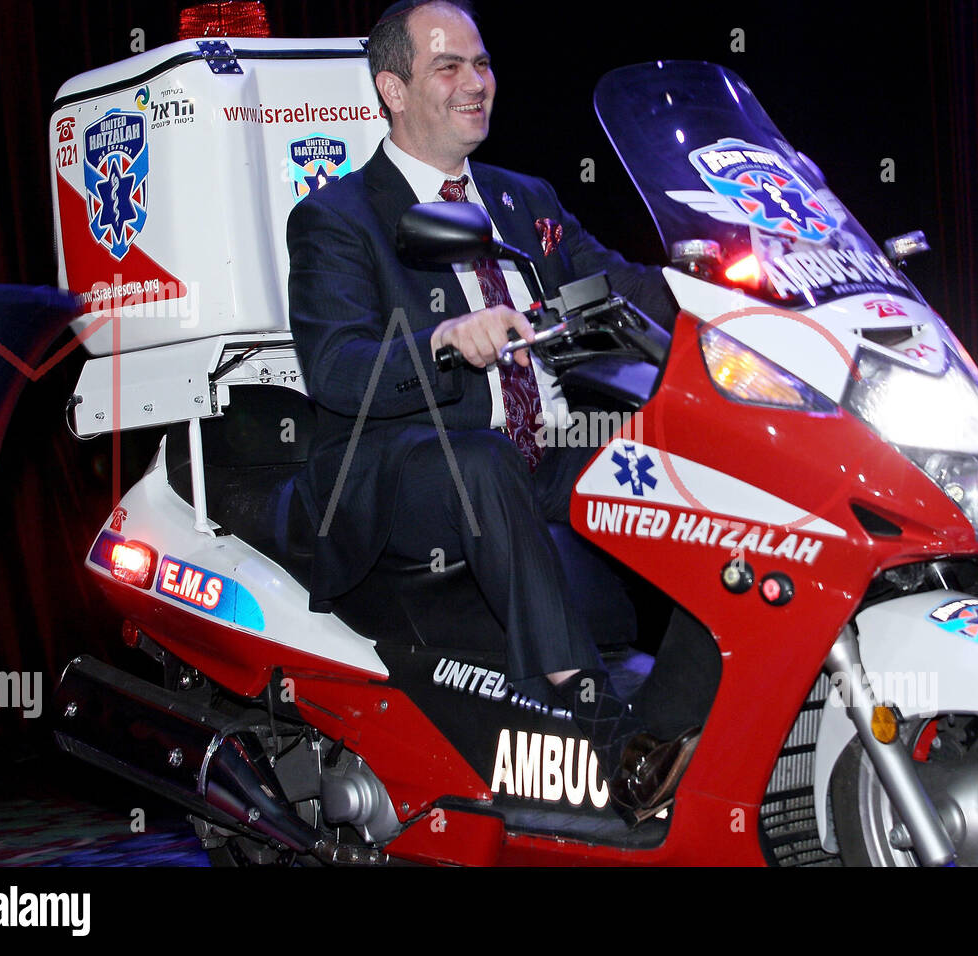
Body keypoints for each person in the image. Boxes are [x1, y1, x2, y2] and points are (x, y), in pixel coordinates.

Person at [285, 0, 699, 823]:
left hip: (535, 456)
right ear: (393, 90)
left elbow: (617, 282)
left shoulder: (523, 200)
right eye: (450, 67)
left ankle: (699, 694)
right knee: (478, 460)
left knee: (676, 456)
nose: (477, 83)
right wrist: (444, 341)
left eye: (482, 64)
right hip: (395, 475)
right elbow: (338, 372)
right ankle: (592, 719)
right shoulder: (335, 218)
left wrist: (720, 279)